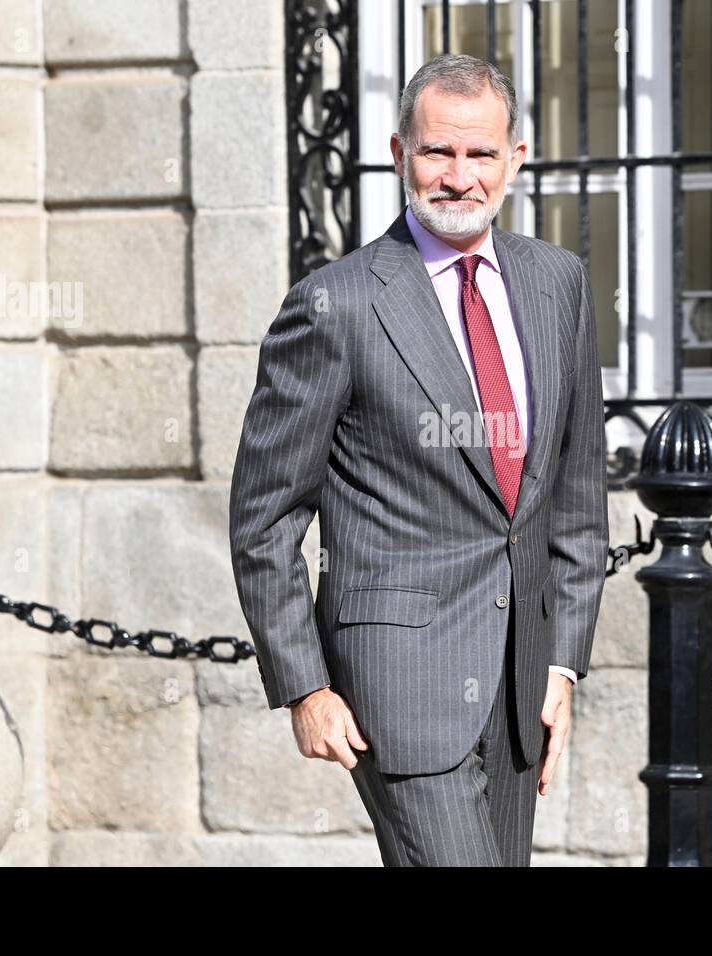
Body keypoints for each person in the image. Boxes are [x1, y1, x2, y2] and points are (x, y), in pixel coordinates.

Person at [229, 52, 608, 866]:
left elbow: (577, 498)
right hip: (398, 689)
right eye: (437, 152)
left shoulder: (559, 284)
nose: (458, 177)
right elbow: (264, 518)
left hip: (521, 689)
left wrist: (564, 665)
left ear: (516, 160)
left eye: (479, 154)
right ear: (400, 154)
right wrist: (304, 684)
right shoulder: (337, 304)